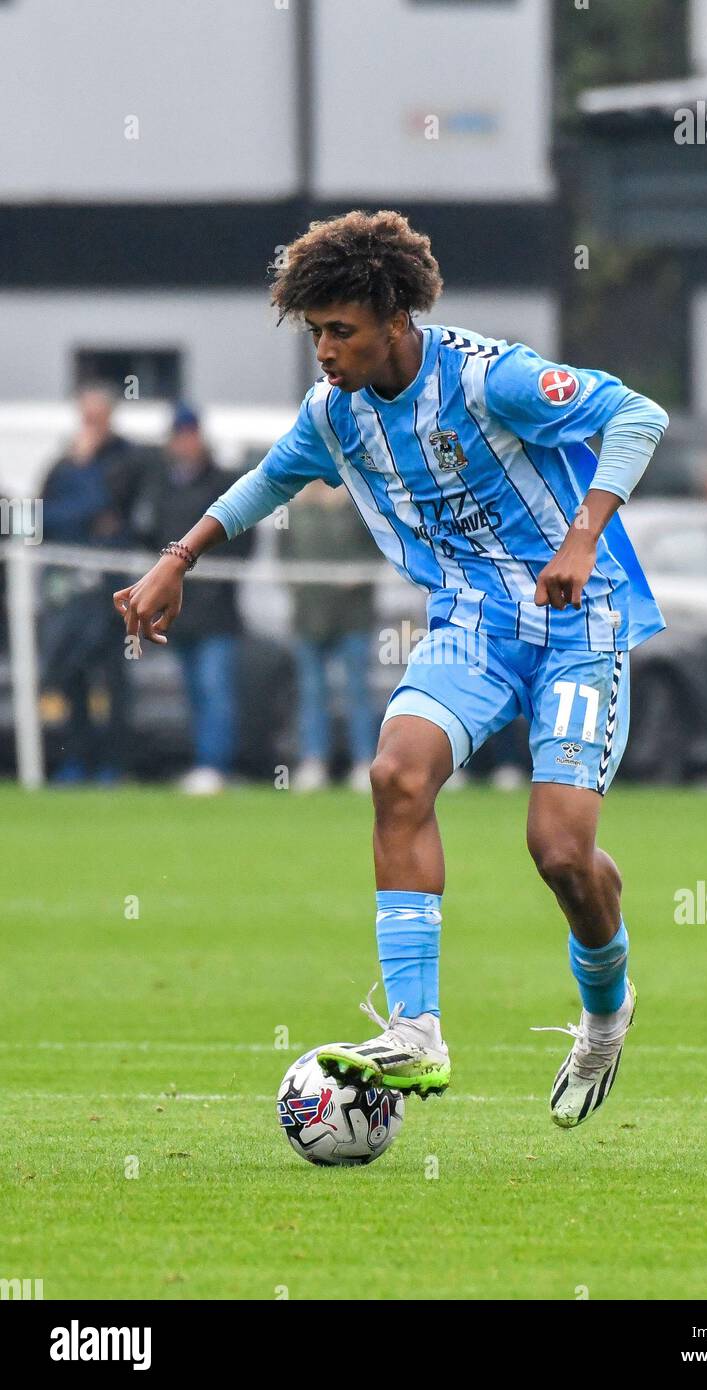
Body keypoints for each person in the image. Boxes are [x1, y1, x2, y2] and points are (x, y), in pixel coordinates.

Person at [113, 209, 669, 1129]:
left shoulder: (490, 378)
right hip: (471, 628)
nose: (325, 351)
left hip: (581, 622)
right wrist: (179, 557)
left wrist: (581, 536)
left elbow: (638, 415)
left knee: (562, 856)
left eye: (341, 330)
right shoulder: (335, 413)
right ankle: (416, 1030)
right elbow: (270, 479)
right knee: (395, 774)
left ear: (395, 320)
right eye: (315, 332)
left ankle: (607, 1015)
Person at [136, 404, 253, 794]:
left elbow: (243, 538)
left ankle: (215, 764)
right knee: (195, 691)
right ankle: (204, 762)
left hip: (216, 610)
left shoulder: (223, 482)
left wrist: (209, 581)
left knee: (215, 688)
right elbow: (150, 537)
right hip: (180, 612)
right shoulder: (160, 486)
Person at [42, 384, 143, 783]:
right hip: (70, 592)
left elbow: (116, 511)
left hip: (113, 592)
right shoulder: (64, 464)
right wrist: (83, 478)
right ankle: (76, 760)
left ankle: (113, 764)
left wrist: (84, 478)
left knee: (114, 676)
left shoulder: (127, 458)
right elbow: (42, 519)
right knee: (73, 674)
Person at [279, 478, 380, 791]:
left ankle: (364, 762)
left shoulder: (357, 504)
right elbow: (284, 558)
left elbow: (380, 549)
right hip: (309, 616)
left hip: (353, 616)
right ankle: (314, 761)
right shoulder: (294, 510)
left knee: (357, 692)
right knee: (312, 693)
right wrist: (298, 587)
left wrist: (358, 574)